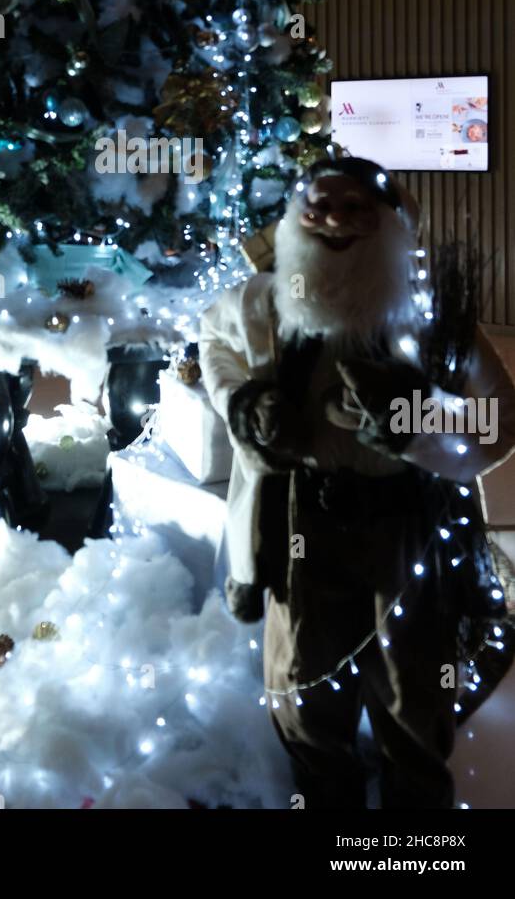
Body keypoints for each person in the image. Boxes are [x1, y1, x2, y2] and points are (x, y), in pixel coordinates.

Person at [199, 156, 515, 809]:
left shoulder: (430, 321)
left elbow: (499, 419)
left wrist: (415, 421)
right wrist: (243, 403)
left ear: (390, 222)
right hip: (299, 529)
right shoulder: (264, 304)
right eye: (320, 204)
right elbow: (215, 344)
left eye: (354, 208)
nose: (334, 221)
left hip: (405, 533)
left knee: (412, 697)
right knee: (304, 694)